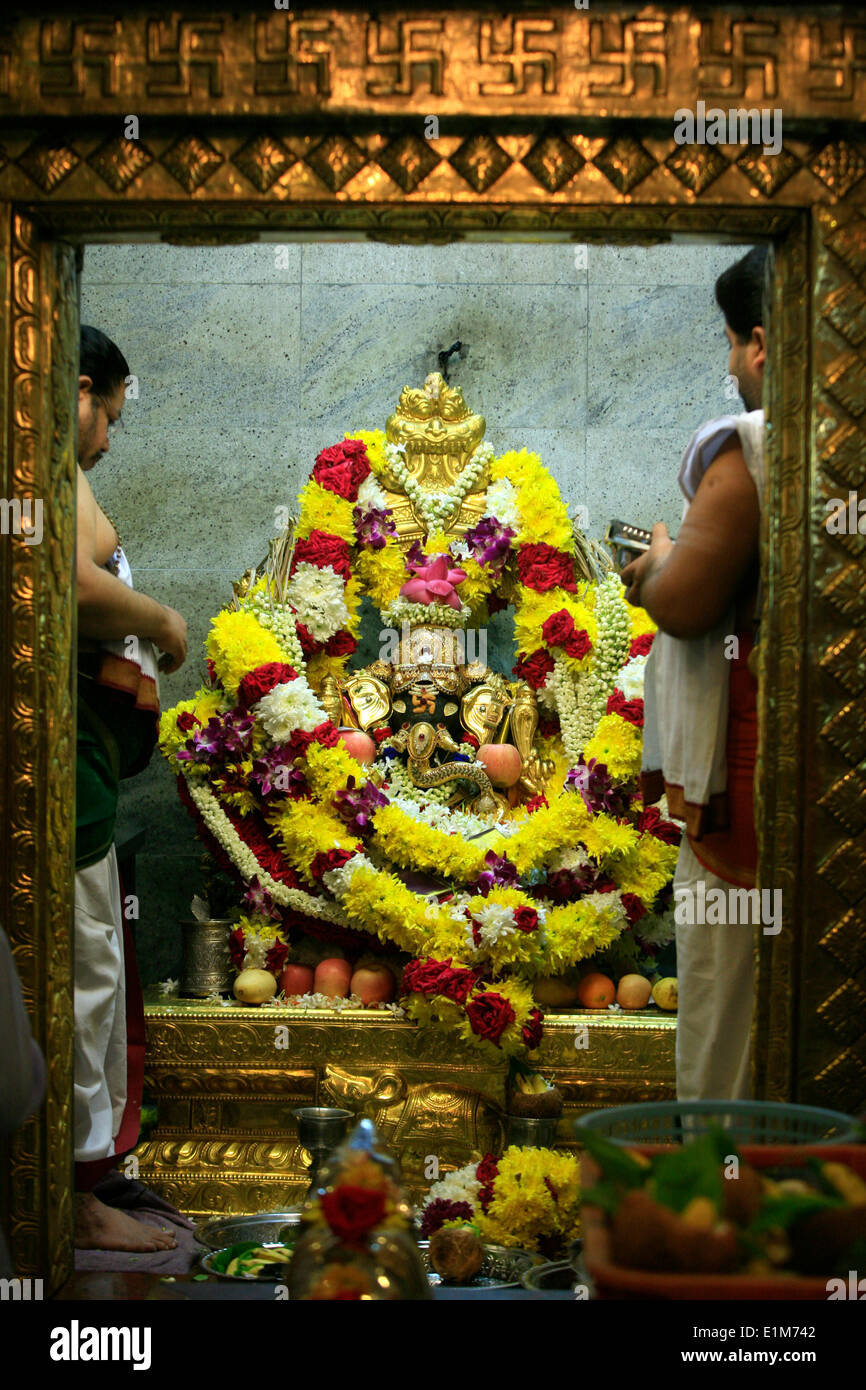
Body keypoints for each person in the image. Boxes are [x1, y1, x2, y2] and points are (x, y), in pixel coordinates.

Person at [620, 246, 769, 1101]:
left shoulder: (753, 449)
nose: (727, 365)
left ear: (757, 343)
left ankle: (729, 1216)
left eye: (727, 341)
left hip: (748, 804)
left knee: (727, 1041)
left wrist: (661, 561)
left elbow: (684, 605)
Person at [74, 325, 188, 1250]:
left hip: (92, 765)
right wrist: (161, 620)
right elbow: (66, 591)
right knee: (80, 968)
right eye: (107, 415)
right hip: (61, 766)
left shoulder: (57, 473)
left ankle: (87, 1177)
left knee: (96, 963)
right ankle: (71, 1194)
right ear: (77, 391)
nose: (108, 439)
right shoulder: (37, 465)